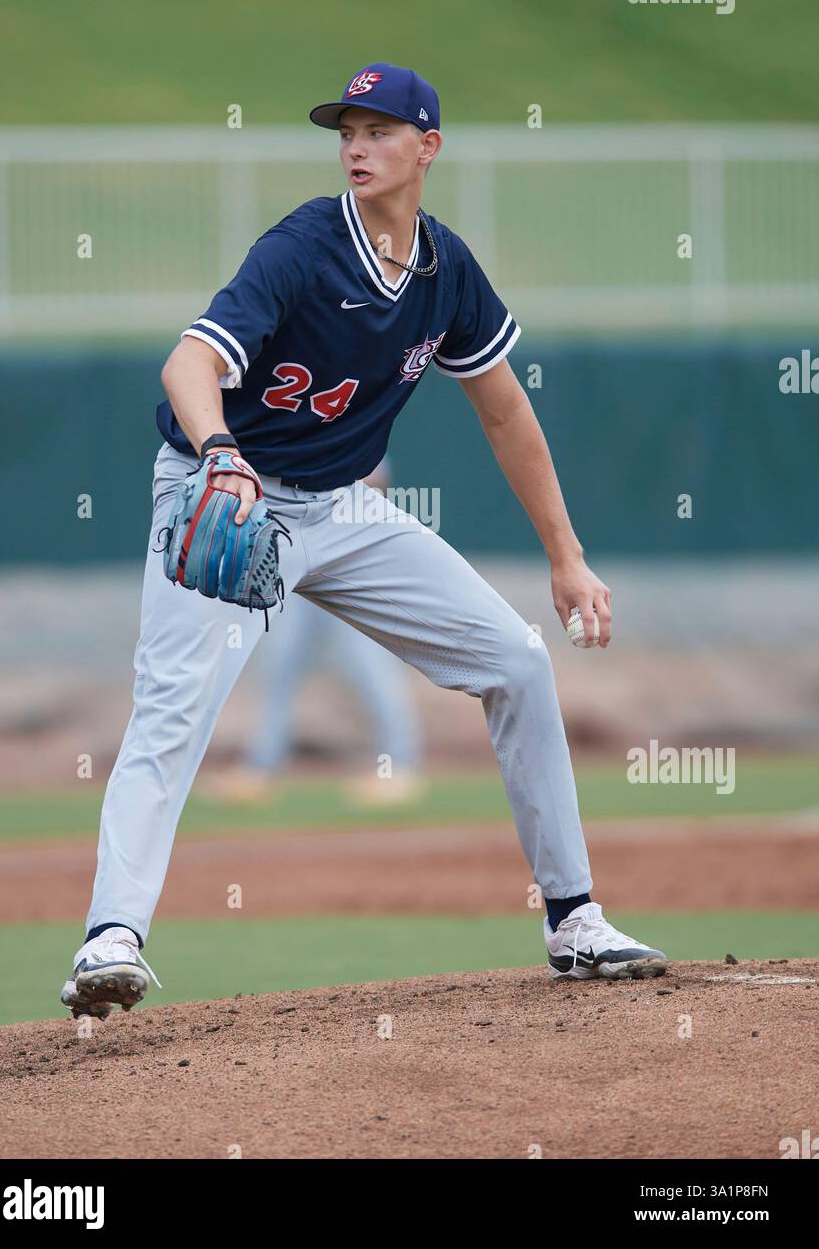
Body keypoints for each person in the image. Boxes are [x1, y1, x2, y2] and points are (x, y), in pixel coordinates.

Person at [61, 62, 666, 1020]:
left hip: (343, 509)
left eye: (382, 129)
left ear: (428, 146)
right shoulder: (303, 247)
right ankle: (111, 938)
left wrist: (566, 554)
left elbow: (506, 414)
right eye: (347, 128)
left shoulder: (444, 270)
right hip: (228, 494)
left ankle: (575, 918)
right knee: (174, 705)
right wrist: (220, 450)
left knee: (515, 659)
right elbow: (189, 363)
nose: (356, 144)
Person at [203, 455, 427, 807]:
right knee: (279, 664)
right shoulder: (285, 425)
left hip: (347, 564)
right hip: (296, 564)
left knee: (369, 667)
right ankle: (261, 767)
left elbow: (376, 481)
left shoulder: (348, 413)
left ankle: (400, 766)